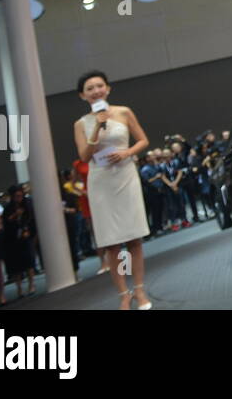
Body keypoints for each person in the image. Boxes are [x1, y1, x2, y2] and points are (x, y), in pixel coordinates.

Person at [74, 70, 154, 309]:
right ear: (82, 95)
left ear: (108, 89)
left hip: (125, 175)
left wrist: (127, 152)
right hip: (100, 181)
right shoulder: (81, 124)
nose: (96, 91)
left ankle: (139, 290)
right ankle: (124, 294)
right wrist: (97, 128)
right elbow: (84, 156)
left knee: (133, 238)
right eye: (90, 88)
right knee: (112, 243)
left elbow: (143, 140)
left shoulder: (124, 111)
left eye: (99, 86)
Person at [1, 185, 37, 298]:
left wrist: (30, 232)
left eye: (20, 195)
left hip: (26, 237)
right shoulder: (8, 209)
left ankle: (31, 284)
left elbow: (32, 220)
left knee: (29, 261)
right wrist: (15, 215)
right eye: (16, 196)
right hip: (13, 239)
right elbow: (6, 223)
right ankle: (19, 288)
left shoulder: (28, 205)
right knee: (16, 265)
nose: (19, 198)